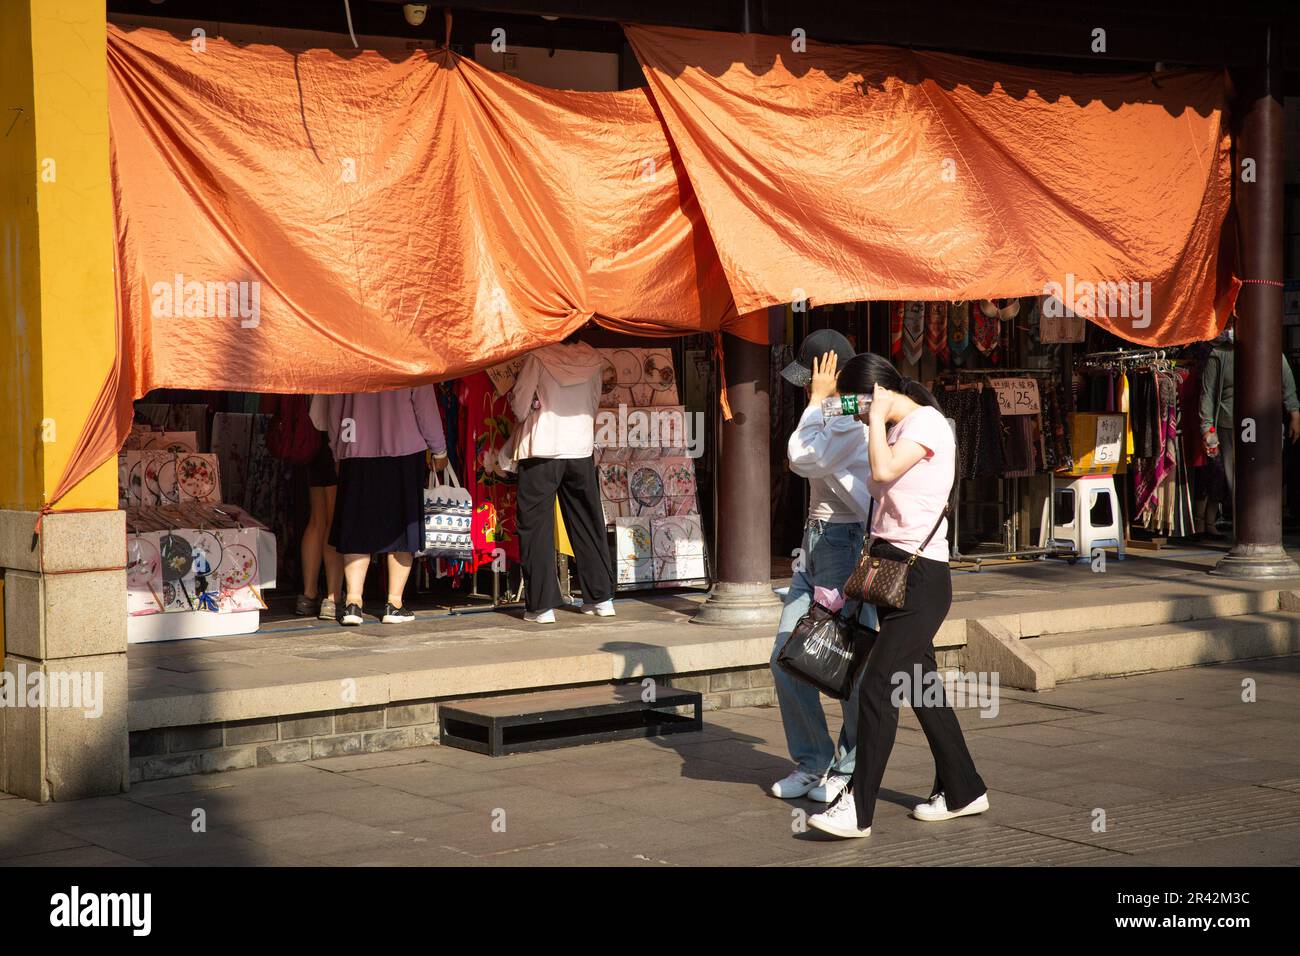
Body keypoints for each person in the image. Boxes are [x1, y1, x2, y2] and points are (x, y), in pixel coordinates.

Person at [809, 353, 987, 839]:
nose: (860, 417)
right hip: (895, 576)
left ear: (878, 394)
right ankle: (964, 788)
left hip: (921, 580)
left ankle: (858, 808)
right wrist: (857, 415)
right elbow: (876, 480)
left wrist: (877, 417)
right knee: (922, 690)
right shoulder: (896, 431)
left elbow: (882, 476)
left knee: (877, 686)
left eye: (860, 405)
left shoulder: (926, 424)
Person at [768, 330, 879, 806]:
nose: (804, 388)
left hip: (843, 542)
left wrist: (816, 401)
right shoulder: (839, 410)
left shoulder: (853, 414)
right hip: (816, 542)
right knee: (787, 654)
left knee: (841, 658)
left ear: (827, 374)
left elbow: (801, 457)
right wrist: (819, 404)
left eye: (811, 378)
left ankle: (848, 765)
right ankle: (813, 761)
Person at [509, 333, 616, 624]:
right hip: (579, 446)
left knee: (536, 527)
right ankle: (601, 598)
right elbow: (593, 405)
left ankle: (542, 606)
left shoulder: (538, 356)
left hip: (543, 447)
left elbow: (519, 406)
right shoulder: (594, 358)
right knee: (587, 521)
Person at [325, 387, 447, 626]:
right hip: (404, 448)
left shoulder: (350, 352)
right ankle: (394, 603)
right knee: (402, 527)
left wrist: (337, 450)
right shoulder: (409, 354)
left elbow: (335, 408)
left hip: (356, 448)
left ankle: (353, 602)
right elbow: (424, 404)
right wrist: (439, 448)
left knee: (357, 527)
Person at [1198, 324, 1300, 519]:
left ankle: (1265, 518)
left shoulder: (1269, 349)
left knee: (1267, 472)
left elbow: (1286, 380)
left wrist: (1294, 412)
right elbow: (1208, 394)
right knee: (1235, 477)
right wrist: (1207, 428)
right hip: (1228, 423)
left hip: (1265, 421)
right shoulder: (1219, 354)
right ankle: (1244, 520)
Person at [295, 395, 344, 621]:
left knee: (317, 519)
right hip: (337, 434)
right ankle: (332, 598)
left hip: (314, 434)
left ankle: (308, 595)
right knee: (334, 520)